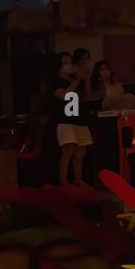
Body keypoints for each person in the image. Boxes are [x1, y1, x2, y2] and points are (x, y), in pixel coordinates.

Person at [53, 52, 92, 186]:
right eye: (65, 63)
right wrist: (76, 80)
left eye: (70, 62)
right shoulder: (57, 81)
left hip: (80, 119)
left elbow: (88, 96)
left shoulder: (77, 81)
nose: (69, 65)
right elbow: (65, 96)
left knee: (80, 152)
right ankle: (63, 183)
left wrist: (85, 77)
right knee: (68, 150)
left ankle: (78, 180)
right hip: (65, 120)